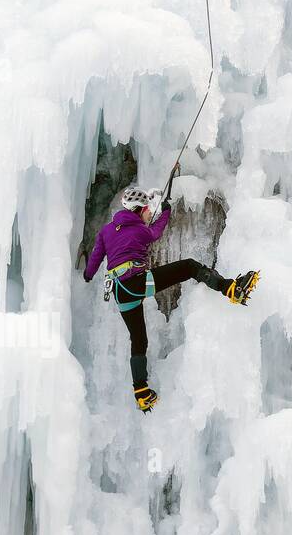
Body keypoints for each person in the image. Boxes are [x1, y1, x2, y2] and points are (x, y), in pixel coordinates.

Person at [83, 165, 258, 412]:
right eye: (147, 211)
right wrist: (165, 211)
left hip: (120, 293)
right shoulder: (139, 228)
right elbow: (156, 233)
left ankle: (141, 391)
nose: (148, 214)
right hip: (136, 284)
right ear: (141, 209)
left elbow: (95, 260)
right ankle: (230, 288)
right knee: (188, 266)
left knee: (139, 340)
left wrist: (88, 276)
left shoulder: (106, 231)